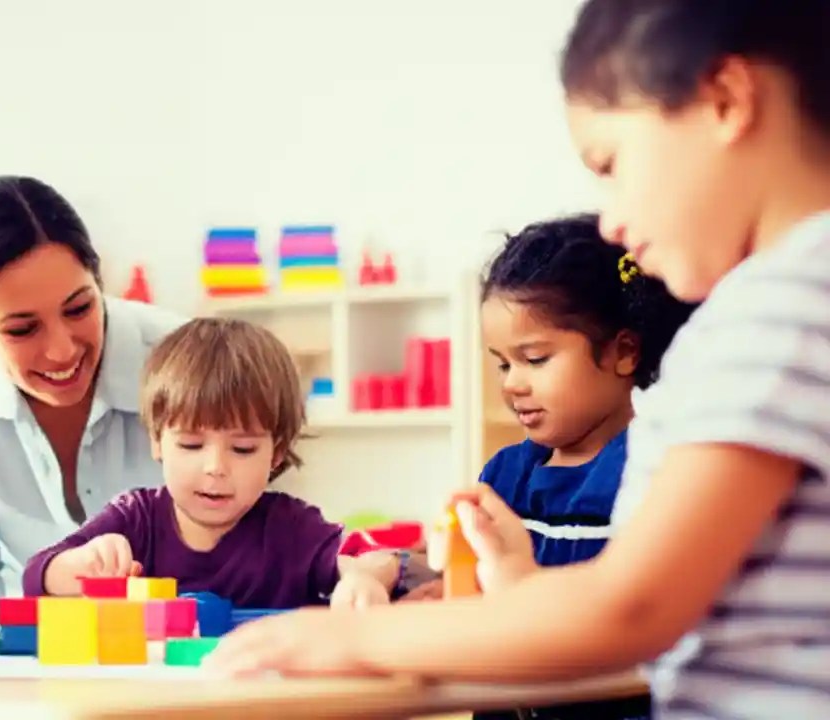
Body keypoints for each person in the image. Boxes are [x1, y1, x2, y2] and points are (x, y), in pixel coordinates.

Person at [206, 1, 830, 716]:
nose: (612, 219)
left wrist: (352, 640)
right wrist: (528, 589)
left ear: (725, 100)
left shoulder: (770, 312)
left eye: (611, 164)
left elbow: (633, 608)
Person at [425, 215, 693, 720]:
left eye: (535, 359)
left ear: (623, 352)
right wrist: (401, 574)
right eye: (504, 364)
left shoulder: (648, 475)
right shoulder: (504, 475)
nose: (511, 384)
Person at [0, 176, 186, 615]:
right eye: (22, 329)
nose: (62, 349)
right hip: (26, 652)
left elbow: (264, 552)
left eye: (80, 308)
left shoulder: (182, 359)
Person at [23, 318, 402, 609]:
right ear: (157, 441)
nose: (215, 467)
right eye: (190, 444)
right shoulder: (135, 521)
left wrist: (367, 579)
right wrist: (81, 564)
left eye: (242, 449)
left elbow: (377, 558)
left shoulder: (291, 529)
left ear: (277, 451)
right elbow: (38, 574)